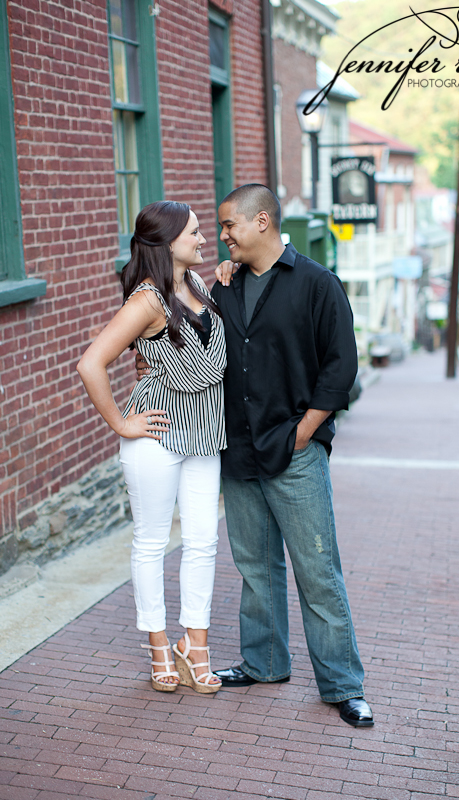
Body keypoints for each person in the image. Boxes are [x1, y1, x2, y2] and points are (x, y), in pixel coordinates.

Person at [138, 185, 373, 726]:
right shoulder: (222, 285)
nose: (222, 236)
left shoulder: (317, 284)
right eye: (218, 229)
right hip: (237, 450)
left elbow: (341, 368)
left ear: (261, 221)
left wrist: (305, 432)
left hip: (295, 452)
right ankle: (264, 663)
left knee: (318, 572)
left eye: (228, 226)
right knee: (255, 567)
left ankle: (343, 686)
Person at [77, 200, 226, 694]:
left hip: (203, 434)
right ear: (167, 243)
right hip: (158, 435)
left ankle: (196, 646)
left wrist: (227, 270)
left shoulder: (198, 284)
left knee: (203, 542)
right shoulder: (146, 300)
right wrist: (121, 423)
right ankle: (160, 647)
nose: (205, 240)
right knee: (152, 543)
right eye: (196, 234)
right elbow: (90, 363)